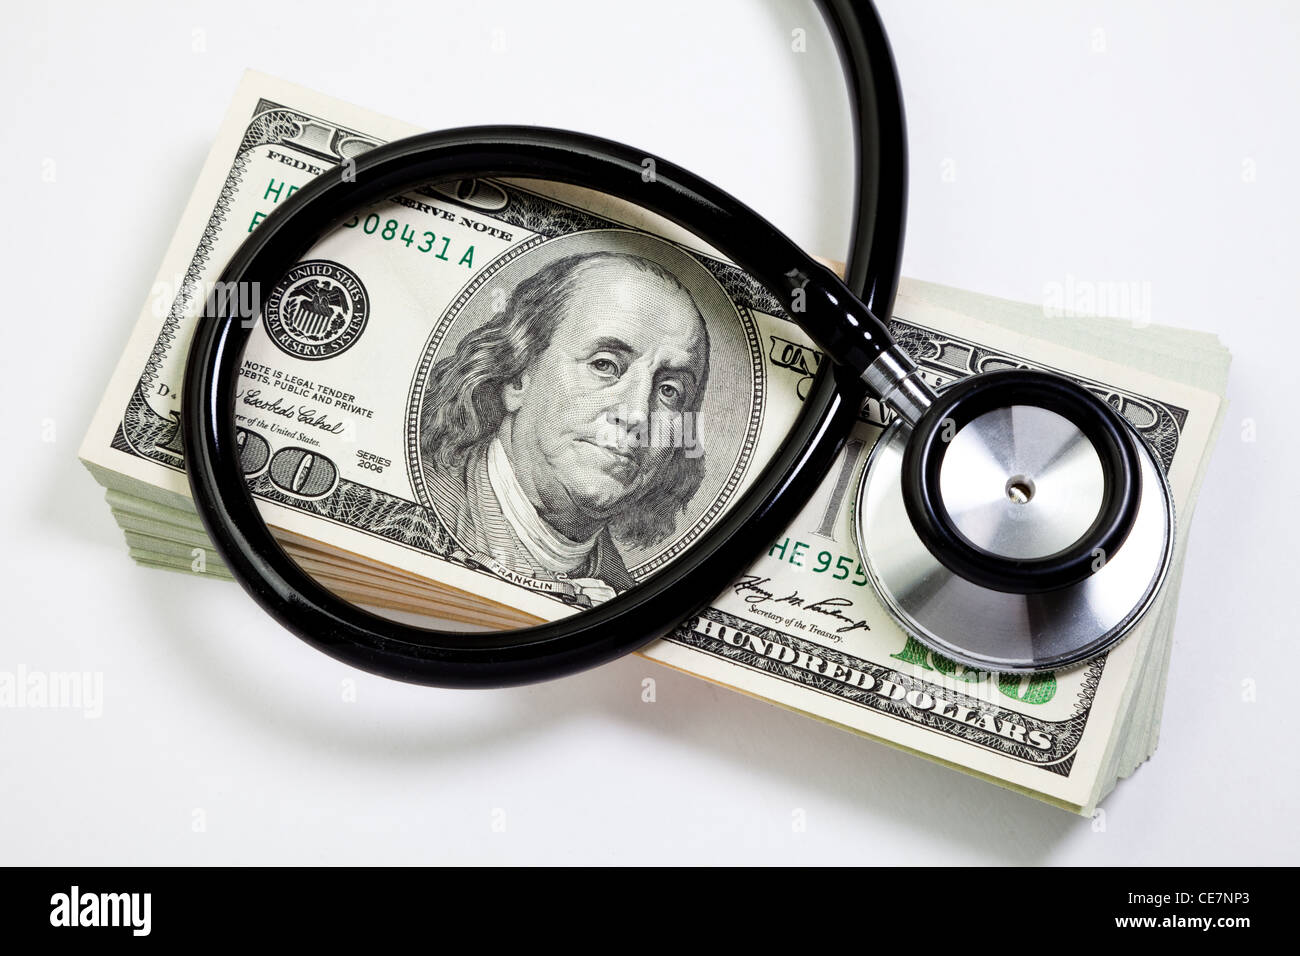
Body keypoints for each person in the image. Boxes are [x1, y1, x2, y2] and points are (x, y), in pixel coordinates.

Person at [419, 250, 711, 598]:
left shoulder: (627, 597)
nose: (637, 415)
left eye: (668, 391)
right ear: (518, 375)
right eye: (604, 365)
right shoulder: (419, 515)